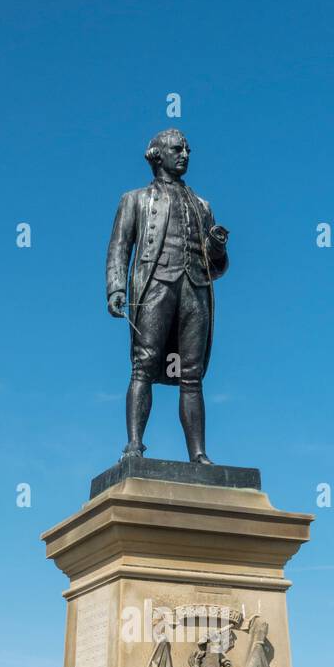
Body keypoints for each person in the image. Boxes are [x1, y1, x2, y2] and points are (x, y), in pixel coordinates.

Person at [106, 129, 230, 464]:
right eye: (178, 149)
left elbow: (214, 262)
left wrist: (216, 247)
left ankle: (199, 454)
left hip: (195, 288)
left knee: (192, 374)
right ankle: (134, 446)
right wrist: (116, 286)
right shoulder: (134, 199)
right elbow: (120, 246)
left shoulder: (202, 205)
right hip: (155, 285)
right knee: (142, 365)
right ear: (157, 155)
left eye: (188, 149)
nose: (185, 154)